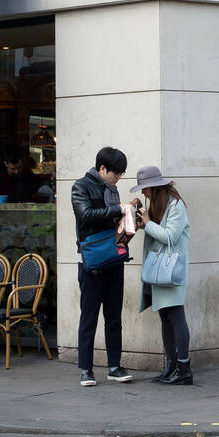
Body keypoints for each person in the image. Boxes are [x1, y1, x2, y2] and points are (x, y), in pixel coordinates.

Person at [71, 146, 138, 385]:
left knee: (114, 316)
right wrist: (118, 209)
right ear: (102, 168)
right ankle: (86, 370)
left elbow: (111, 221)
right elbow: (86, 214)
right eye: (116, 174)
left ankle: (114, 367)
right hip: (91, 261)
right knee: (89, 317)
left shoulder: (112, 189)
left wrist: (129, 216)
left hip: (114, 257)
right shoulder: (80, 186)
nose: (118, 178)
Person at [131, 166, 193, 384]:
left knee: (176, 317)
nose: (143, 193)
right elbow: (158, 233)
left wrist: (148, 223)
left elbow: (170, 237)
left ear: (154, 187)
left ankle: (184, 369)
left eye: (145, 189)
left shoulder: (175, 206)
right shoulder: (159, 205)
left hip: (170, 270)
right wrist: (142, 224)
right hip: (159, 270)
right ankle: (172, 366)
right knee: (166, 319)